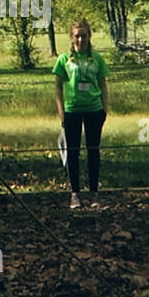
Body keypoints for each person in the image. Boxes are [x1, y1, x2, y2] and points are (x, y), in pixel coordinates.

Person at [52, 20, 109, 208]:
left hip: (93, 109)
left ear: (89, 37)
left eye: (83, 35)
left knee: (93, 152)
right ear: (71, 37)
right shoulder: (64, 60)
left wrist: (104, 109)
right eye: (77, 35)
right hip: (72, 111)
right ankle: (74, 193)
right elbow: (58, 88)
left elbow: (103, 85)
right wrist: (61, 112)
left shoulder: (97, 59)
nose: (80, 39)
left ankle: (94, 193)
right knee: (73, 152)